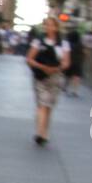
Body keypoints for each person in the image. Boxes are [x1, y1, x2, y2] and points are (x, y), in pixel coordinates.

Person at [26, 14, 70, 145]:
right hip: (40, 77)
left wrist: (55, 69)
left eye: (51, 24)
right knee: (42, 103)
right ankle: (39, 133)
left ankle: (44, 132)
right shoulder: (38, 41)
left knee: (49, 106)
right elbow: (29, 59)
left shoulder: (63, 43)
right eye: (46, 24)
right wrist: (42, 67)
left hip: (56, 78)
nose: (48, 27)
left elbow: (66, 62)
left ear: (56, 27)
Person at [63, 26, 84, 96]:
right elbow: (83, 53)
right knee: (77, 77)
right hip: (78, 62)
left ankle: (65, 87)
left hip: (69, 61)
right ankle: (75, 91)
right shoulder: (80, 44)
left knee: (67, 76)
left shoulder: (68, 43)